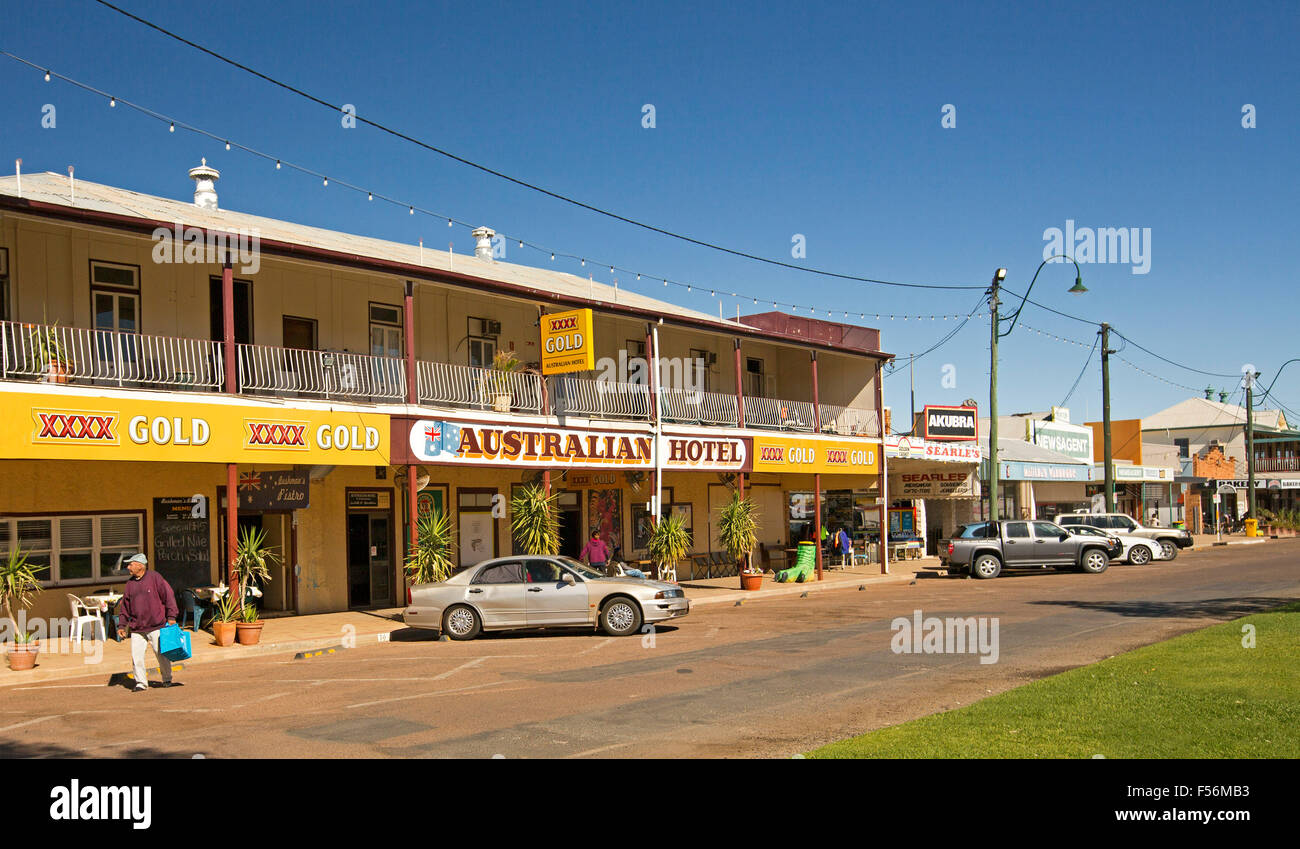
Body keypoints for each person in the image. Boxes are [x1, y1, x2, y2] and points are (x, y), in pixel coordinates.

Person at [116, 553, 179, 692]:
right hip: (137, 627)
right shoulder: (130, 584)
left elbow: (168, 596)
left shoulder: (155, 577)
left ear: (140, 565)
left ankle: (167, 678)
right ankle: (141, 683)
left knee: (160, 654)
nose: (128, 567)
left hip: (156, 624)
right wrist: (122, 625)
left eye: (130, 564)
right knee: (136, 656)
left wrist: (171, 616)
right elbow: (125, 607)